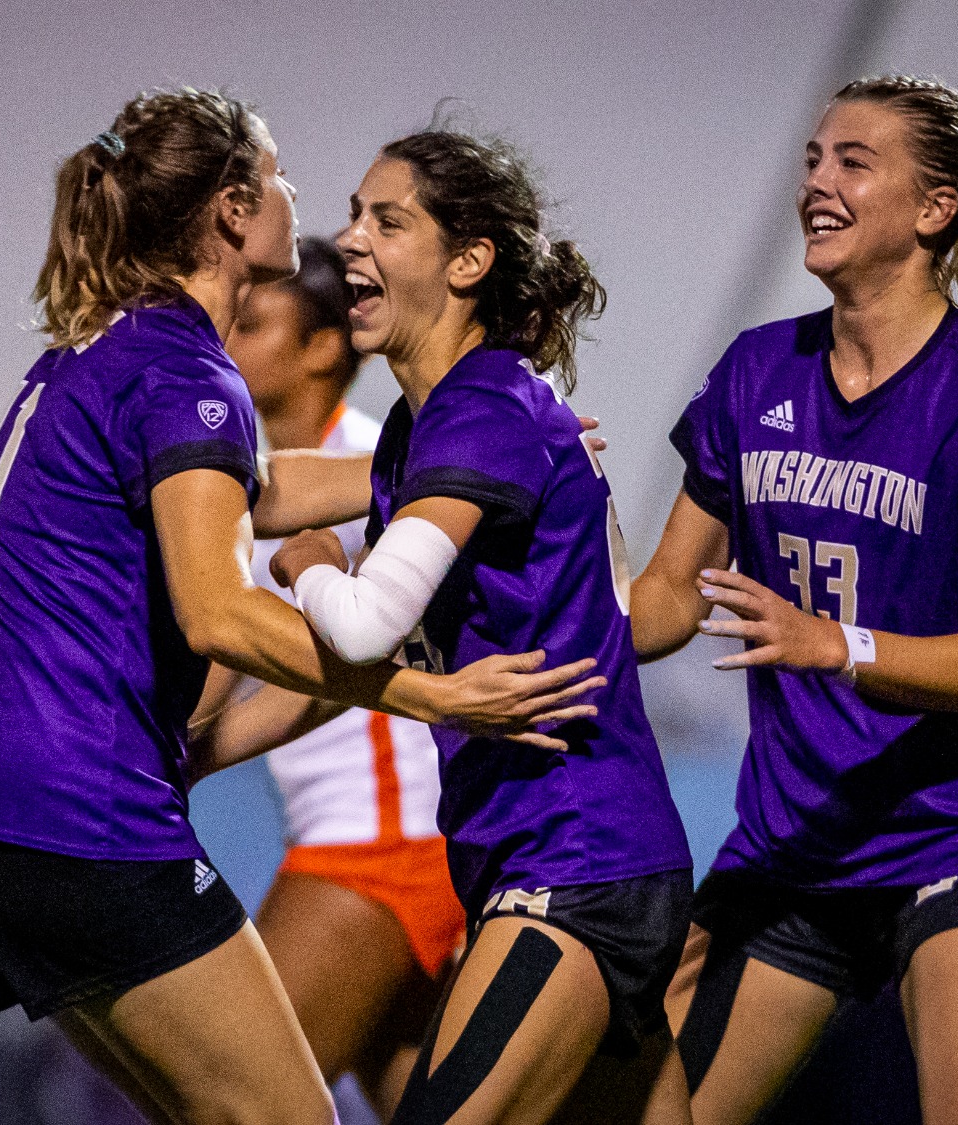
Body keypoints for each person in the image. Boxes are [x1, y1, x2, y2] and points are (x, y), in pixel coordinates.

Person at [0, 89, 606, 1125]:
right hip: (80, 811)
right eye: (280, 182)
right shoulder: (186, 368)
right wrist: (436, 695)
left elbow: (257, 491)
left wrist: (424, 472)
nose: (304, 207)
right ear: (233, 210)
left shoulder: (98, 354)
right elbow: (221, 613)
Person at [633, 74, 958, 1125]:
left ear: (933, 210)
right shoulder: (753, 376)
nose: (816, 184)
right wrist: (554, 580)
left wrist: (829, 643)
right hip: (798, 843)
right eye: (810, 160)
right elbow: (664, 599)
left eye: (851, 161)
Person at [270, 128, 696, 1125]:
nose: (349, 241)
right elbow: (264, 493)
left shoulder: (484, 410)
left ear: (468, 263)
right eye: (350, 215)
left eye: (387, 220)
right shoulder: (432, 430)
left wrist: (314, 565)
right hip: (547, 858)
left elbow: (367, 628)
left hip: (572, 866)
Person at [220, 235, 465, 1117]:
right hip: (355, 838)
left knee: (232, 1102)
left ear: (325, 346)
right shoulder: (244, 487)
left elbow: (350, 664)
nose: (224, 339)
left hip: (385, 844)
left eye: (250, 322)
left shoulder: (374, 472)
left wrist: (196, 752)